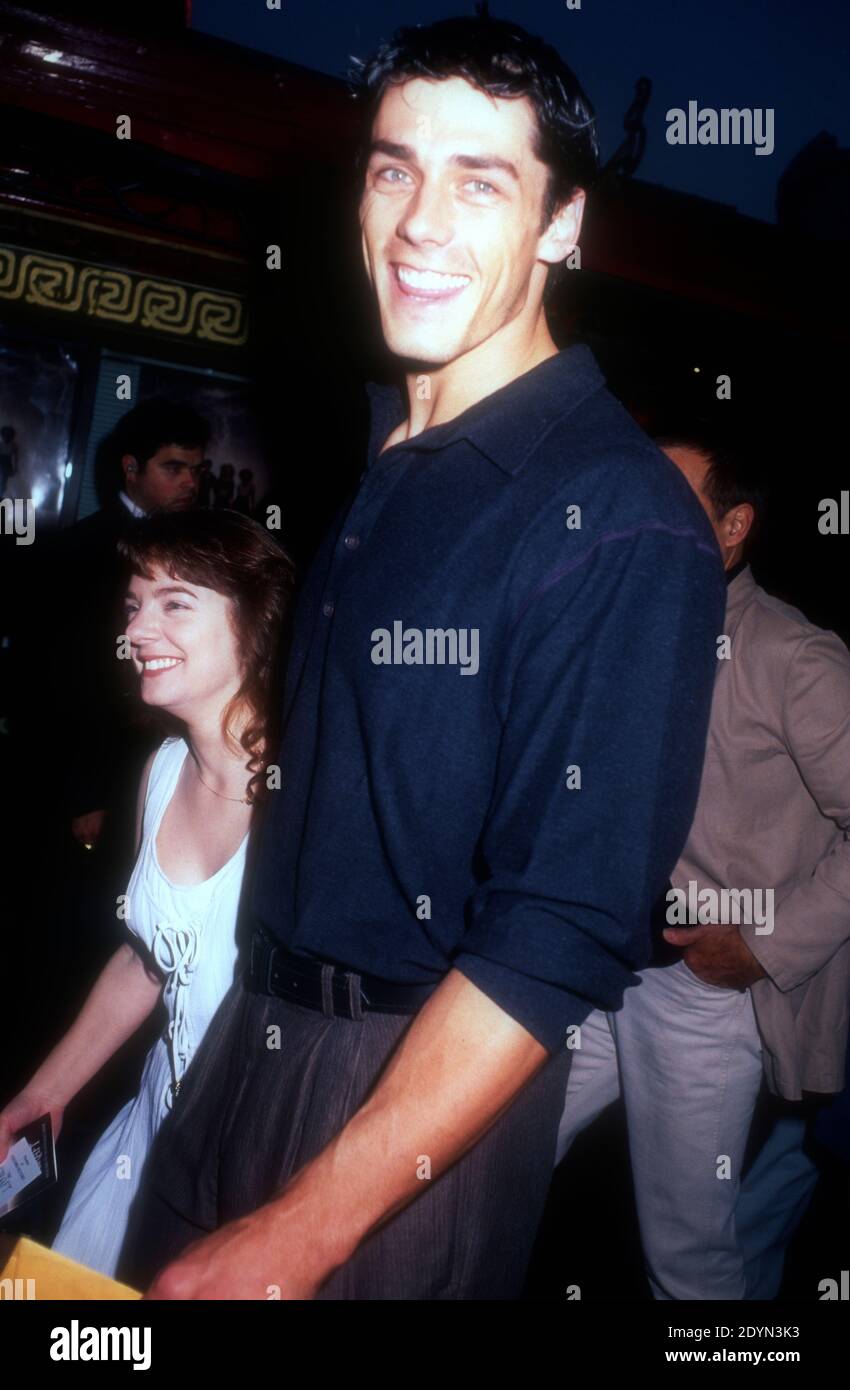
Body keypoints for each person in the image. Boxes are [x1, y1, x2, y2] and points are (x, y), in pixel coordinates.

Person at [118, 15, 724, 1301]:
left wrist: (304, 1228)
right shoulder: (388, 455)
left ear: (563, 224)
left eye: (481, 182)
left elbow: (558, 931)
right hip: (245, 1031)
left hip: (397, 1096)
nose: (418, 223)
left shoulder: (618, 516)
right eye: (394, 169)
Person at [555, 428, 850, 1300]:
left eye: (670, 499)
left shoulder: (793, 657)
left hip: (699, 987)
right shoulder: (626, 629)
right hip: (599, 957)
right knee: (491, 1148)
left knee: (685, 1257)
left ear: (733, 527)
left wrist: (764, 946)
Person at [0, 509, 295, 1277]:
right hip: (151, 1136)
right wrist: (42, 1095)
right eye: (133, 605)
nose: (136, 629)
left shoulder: (304, 792)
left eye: (174, 603)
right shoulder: (163, 771)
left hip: (258, 1175)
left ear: (255, 622)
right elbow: (149, 958)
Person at [57, 398, 211, 856]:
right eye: (173, 468)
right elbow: (63, 680)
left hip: (170, 760)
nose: (190, 483)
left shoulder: (194, 545)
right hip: (102, 776)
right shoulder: (82, 549)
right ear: (131, 468)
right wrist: (86, 793)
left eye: (196, 471)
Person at [0, 424, 18, 497]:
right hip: (1, 462)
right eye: (5, 435)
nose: (6, 437)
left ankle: (1, 495)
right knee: (2, 479)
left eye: (8, 435)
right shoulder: (0, 444)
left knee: (4, 481)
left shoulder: (13, 446)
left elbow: (15, 457)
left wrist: (15, 467)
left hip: (7, 463)